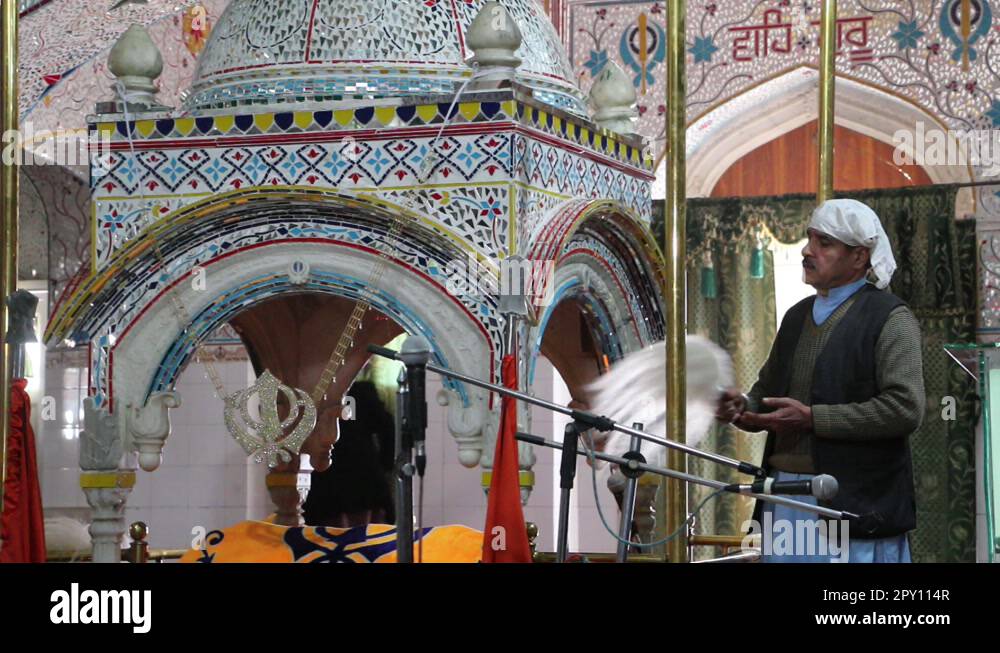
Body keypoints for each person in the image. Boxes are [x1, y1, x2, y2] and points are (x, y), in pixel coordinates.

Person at [716, 199, 925, 563]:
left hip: (852, 501)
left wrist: (814, 419)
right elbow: (767, 395)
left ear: (859, 257)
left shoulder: (890, 318)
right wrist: (742, 408)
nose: (807, 251)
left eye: (824, 244)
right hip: (784, 495)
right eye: (809, 239)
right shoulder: (797, 316)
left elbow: (905, 409)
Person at [303, 381, 396, 528]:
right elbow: (387, 426)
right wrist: (385, 463)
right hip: (361, 470)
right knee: (363, 532)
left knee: (329, 532)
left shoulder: (317, 389)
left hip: (327, 471)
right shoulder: (361, 391)